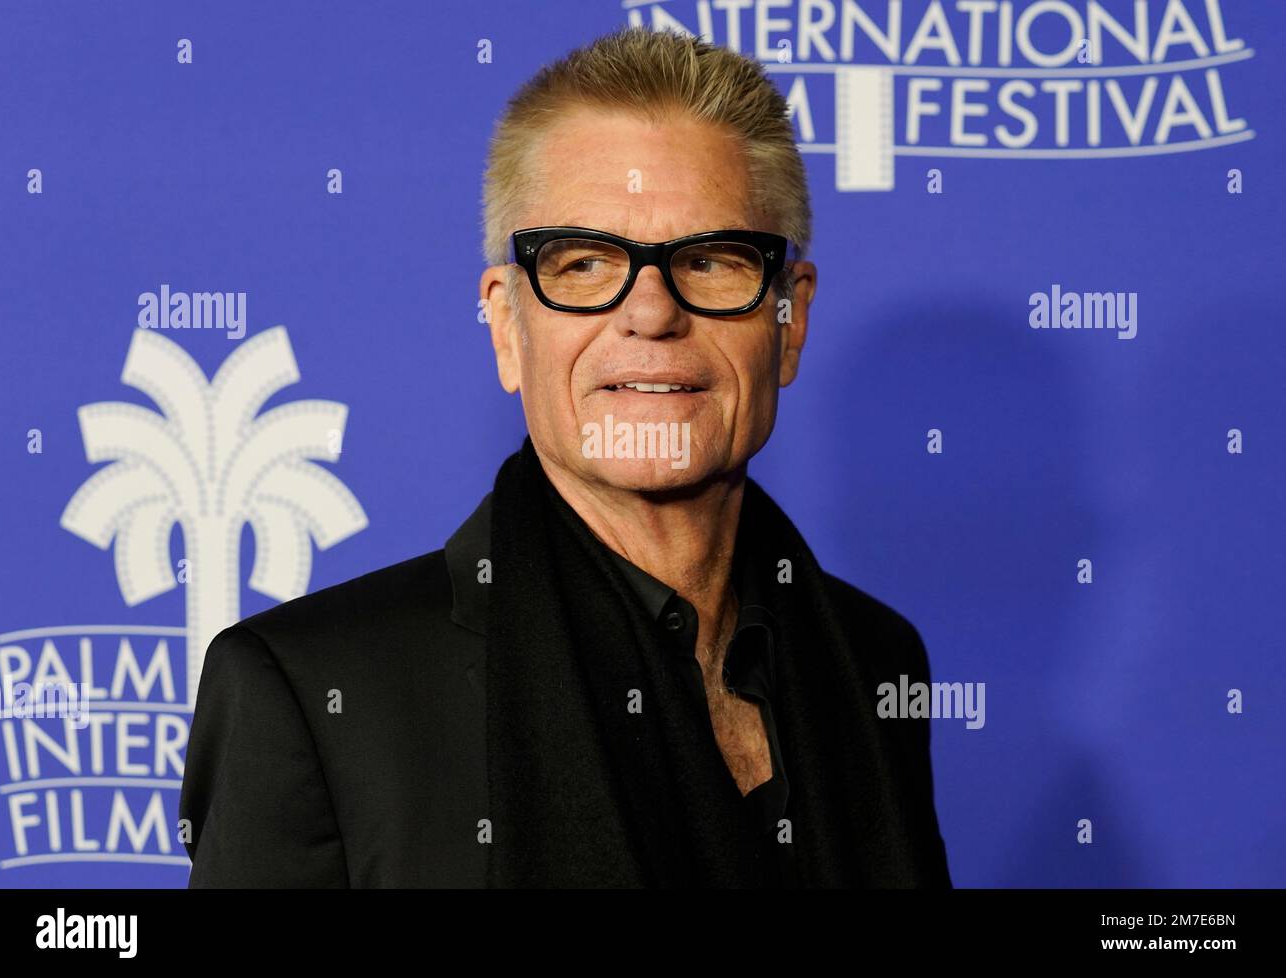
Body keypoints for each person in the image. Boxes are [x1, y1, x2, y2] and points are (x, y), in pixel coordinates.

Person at [179, 25, 951, 888]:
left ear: (790, 320)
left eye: (711, 261)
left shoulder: (875, 660)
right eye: (585, 264)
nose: (651, 312)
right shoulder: (314, 694)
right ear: (507, 325)